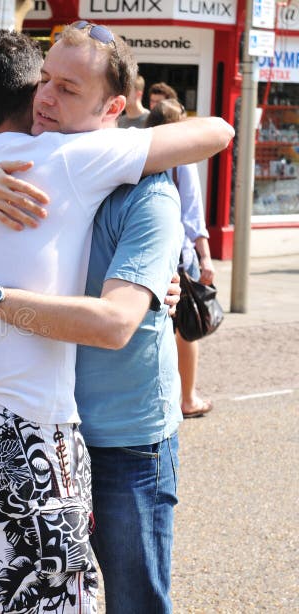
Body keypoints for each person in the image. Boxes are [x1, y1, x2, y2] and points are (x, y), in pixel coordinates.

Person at [0, 26, 232, 613]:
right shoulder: (28, 158)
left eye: (67, 88)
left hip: (76, 431)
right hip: (28, 429)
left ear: (113, 109)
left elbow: (220, 130)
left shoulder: (90, 163)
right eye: (43, 79)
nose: (45, 97)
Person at [148, 99, 216, 419]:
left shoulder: (141, 156)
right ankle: (186, 398)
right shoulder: (182, 160)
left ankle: (156, 396)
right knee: (185, 328)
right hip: (178, 257)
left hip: (148, 252)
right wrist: (206, 259)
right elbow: (193, 215)